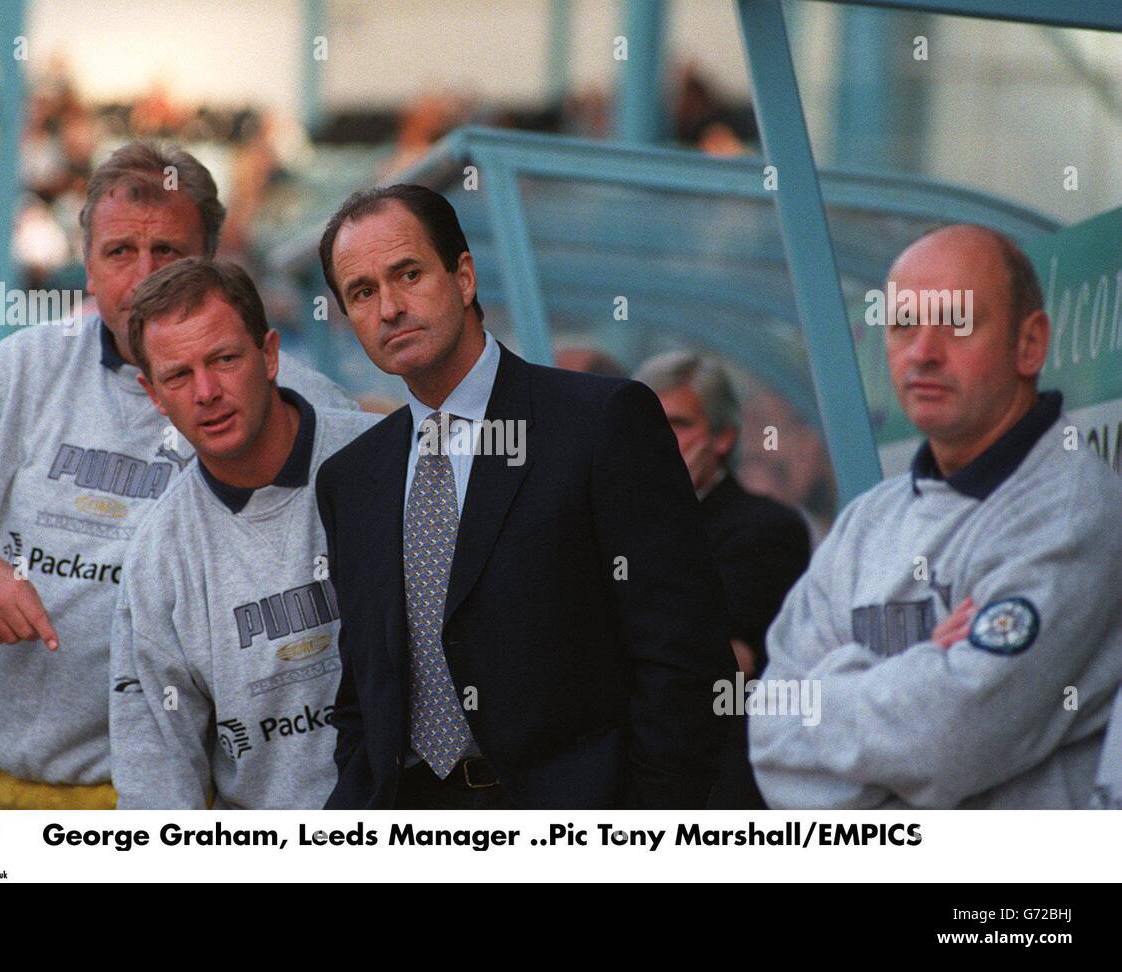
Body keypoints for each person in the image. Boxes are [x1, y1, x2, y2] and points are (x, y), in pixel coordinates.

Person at [0, 142, 354, 810]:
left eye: (170, 254)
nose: (142, 278)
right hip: (7, 789)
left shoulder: (297, 403)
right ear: (88, 269)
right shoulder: (17, 375)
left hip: (198, 807)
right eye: (120, 252)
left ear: (211, 261)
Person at [315, 184, 734, 809]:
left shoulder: (599, 424)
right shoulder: (352, 479)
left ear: (463, 277)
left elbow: (686, 661)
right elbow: (364, 691)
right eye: (362, 292)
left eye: (408, 274)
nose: (390, 308)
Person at [751, 224, 1122, 809]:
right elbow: (770, 737)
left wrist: (828, 691)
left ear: (1030, 344)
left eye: (957, 321)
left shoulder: (1071, 512)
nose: (923, 351)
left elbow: (948, 739)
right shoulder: (865, 523)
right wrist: (926, 665)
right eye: (903, 324)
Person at [110, 258, 377, 808]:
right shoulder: (159, 556)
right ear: (153, 395)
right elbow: (156, 772)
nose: (205, 391)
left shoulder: (384, 460)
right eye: (178, 376)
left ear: (271, 355)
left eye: (224, 359)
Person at [635, 350, 809, 808]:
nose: (657, 438)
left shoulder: (766, 527)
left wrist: (669, 510)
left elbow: (694, 648)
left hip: (731, 788)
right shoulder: (619, 526)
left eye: (677, 423)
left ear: (723, 437)